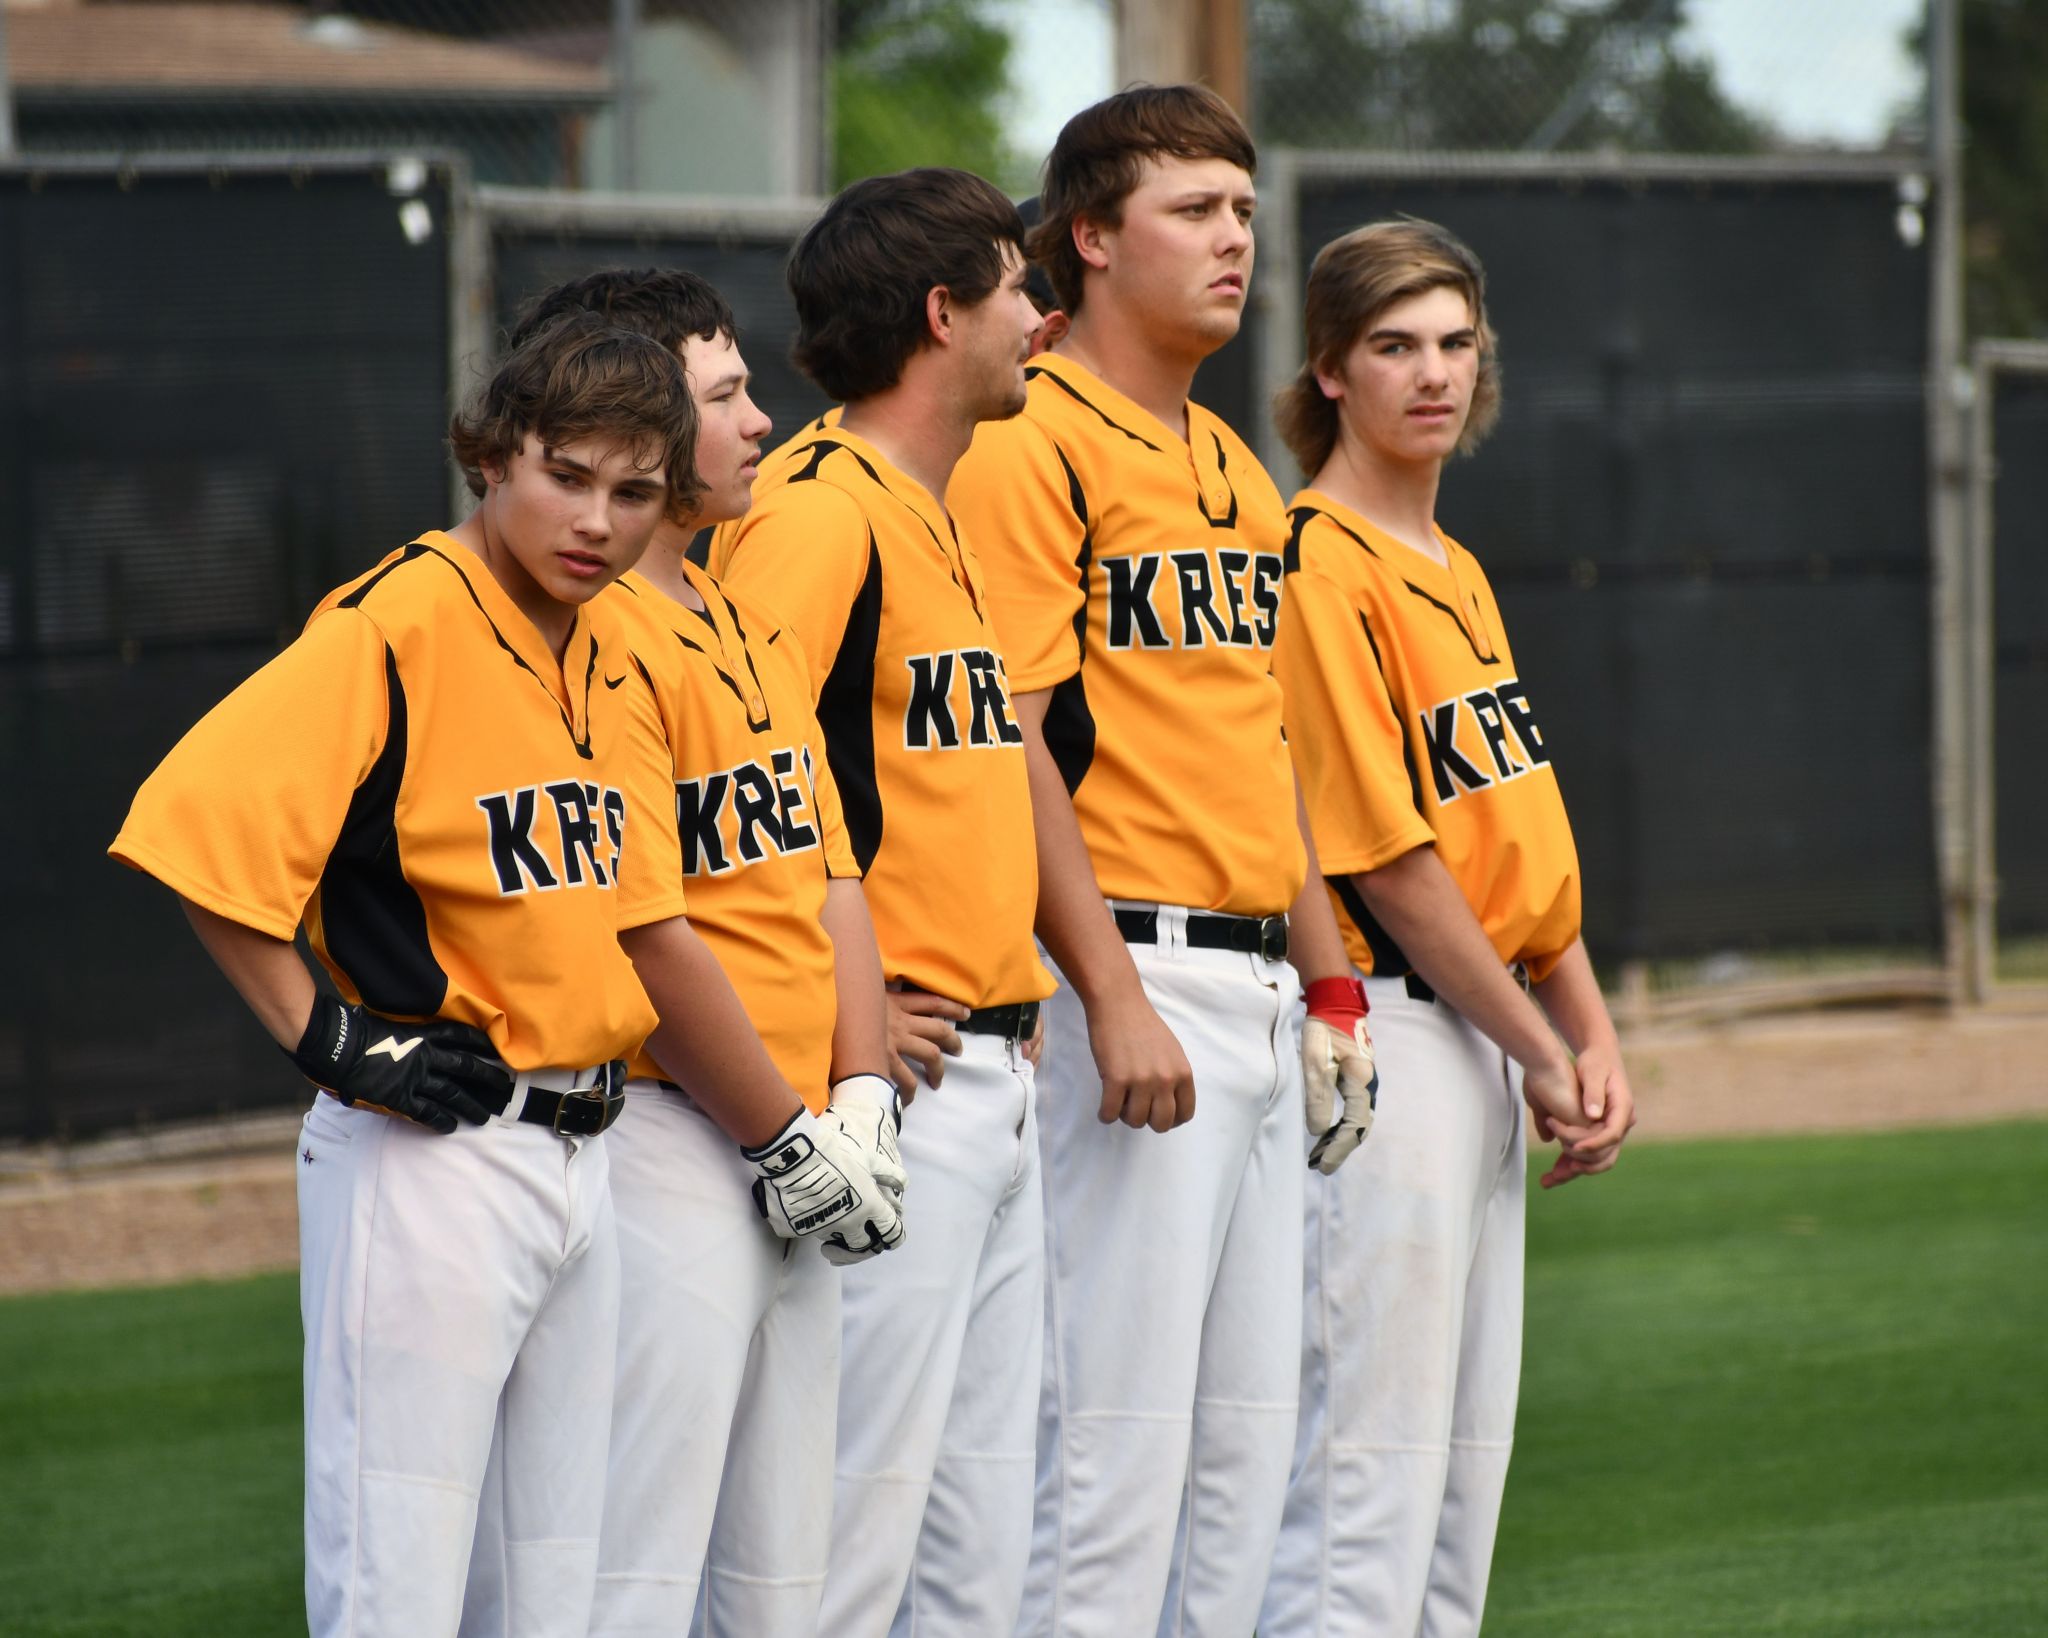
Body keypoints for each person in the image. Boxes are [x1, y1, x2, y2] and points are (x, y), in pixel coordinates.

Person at [109, 314, 696, 1637]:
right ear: (490, 456)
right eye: (568, 473)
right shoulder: (401, 619)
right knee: (399, 1584)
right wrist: (336, 1039)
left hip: (582, 1151)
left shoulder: (604, 639)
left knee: (552, 1589)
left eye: (634, 490)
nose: (598, 517)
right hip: (433, 1153)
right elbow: (196, 825)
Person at [946, 85, 1381, 1638]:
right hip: (1123, 977)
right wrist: (1110, 988)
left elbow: (1260, 749)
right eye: (1192, 211)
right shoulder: (1031, 434)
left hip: (1254, 980)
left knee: (1238, 1467)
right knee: (1108, 1462)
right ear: (1090, 237)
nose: (1234, 242)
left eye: (1245, 213)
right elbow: (1011, 743)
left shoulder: (1231, 464)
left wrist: (1333, 983)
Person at [490, 267, 905, 1638]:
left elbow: (832, 873)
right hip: (675, 1136)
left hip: (795, 1134)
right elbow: (643, 928)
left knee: (784, 1581)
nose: (760, 424)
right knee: (631, 1572)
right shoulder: (598, 633)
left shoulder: (739, 612)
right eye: (725, 398)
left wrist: (858, 1094)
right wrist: (786, 1130)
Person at [1260, 218, 1636, 1637]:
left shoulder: (1453, 566)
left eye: (1454, 342)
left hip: (1482, 1034)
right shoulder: (1316, 557)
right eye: (1394, 345)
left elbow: (1519, 850)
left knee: (1457, 1488)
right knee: (1362, 1482)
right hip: (1386, 1035)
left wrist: (1588, 1033)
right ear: (1331, 372)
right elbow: (1391, 862)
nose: (1432, 372)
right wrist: (1543, 1046)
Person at [718, 167, 1054, 1636]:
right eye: (1018, 288)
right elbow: (728, 780)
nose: (1044, 317)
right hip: (894, 1085)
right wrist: (848, 1025)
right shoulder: (815, 511)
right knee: (843, 1553)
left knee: (973, 1558)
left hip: (987, 1070)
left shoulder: (927, 507)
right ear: (942, 311)